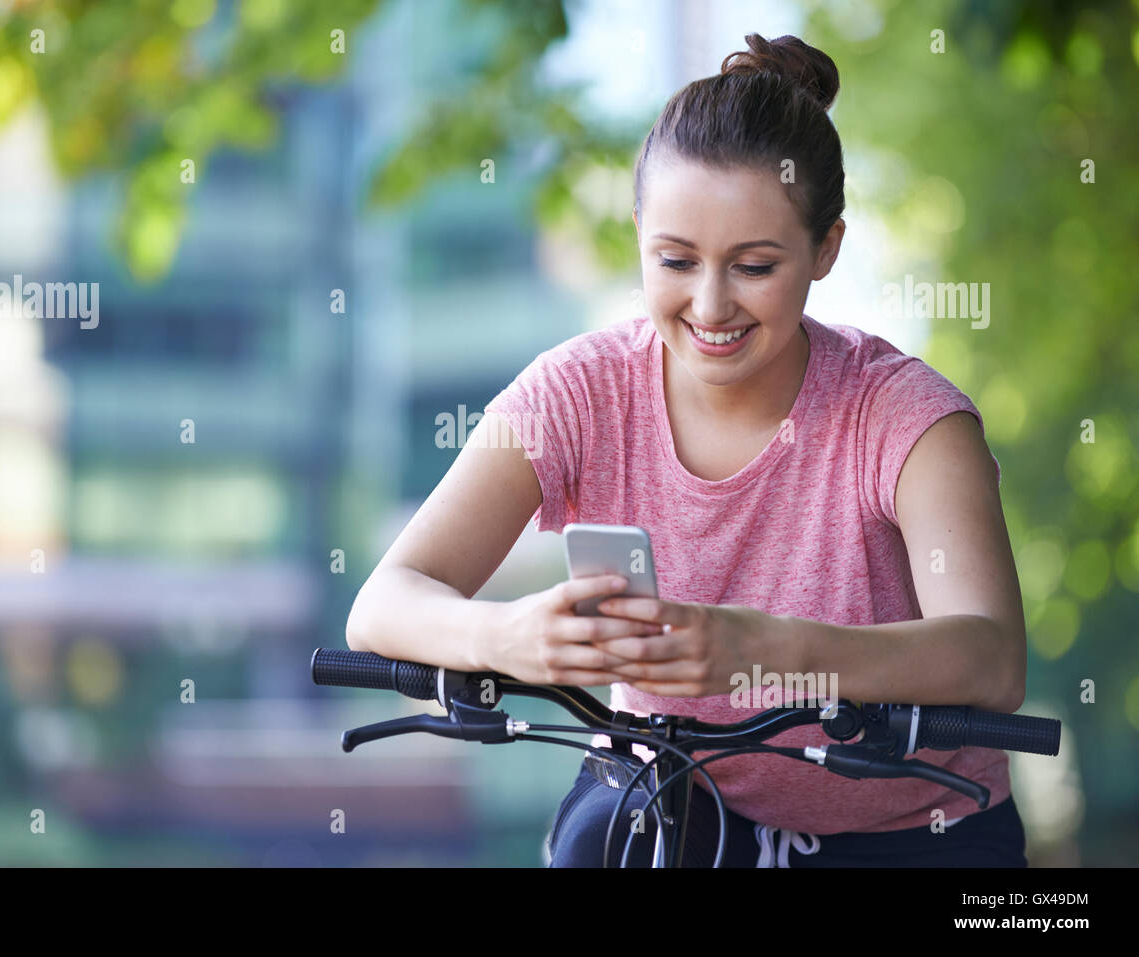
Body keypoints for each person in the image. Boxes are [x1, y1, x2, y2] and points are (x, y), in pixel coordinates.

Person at [346, 33, 1029, 867]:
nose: (710, 305)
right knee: (598, 843)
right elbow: (384, 603)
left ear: (827, 248)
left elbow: (990, 657)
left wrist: (761, 647)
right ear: (639, 234)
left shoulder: (906, 415)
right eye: (675, 259)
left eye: (754, 266)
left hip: (918, 831)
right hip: (685, 807)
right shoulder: (578, 392)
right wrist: (507, 635)